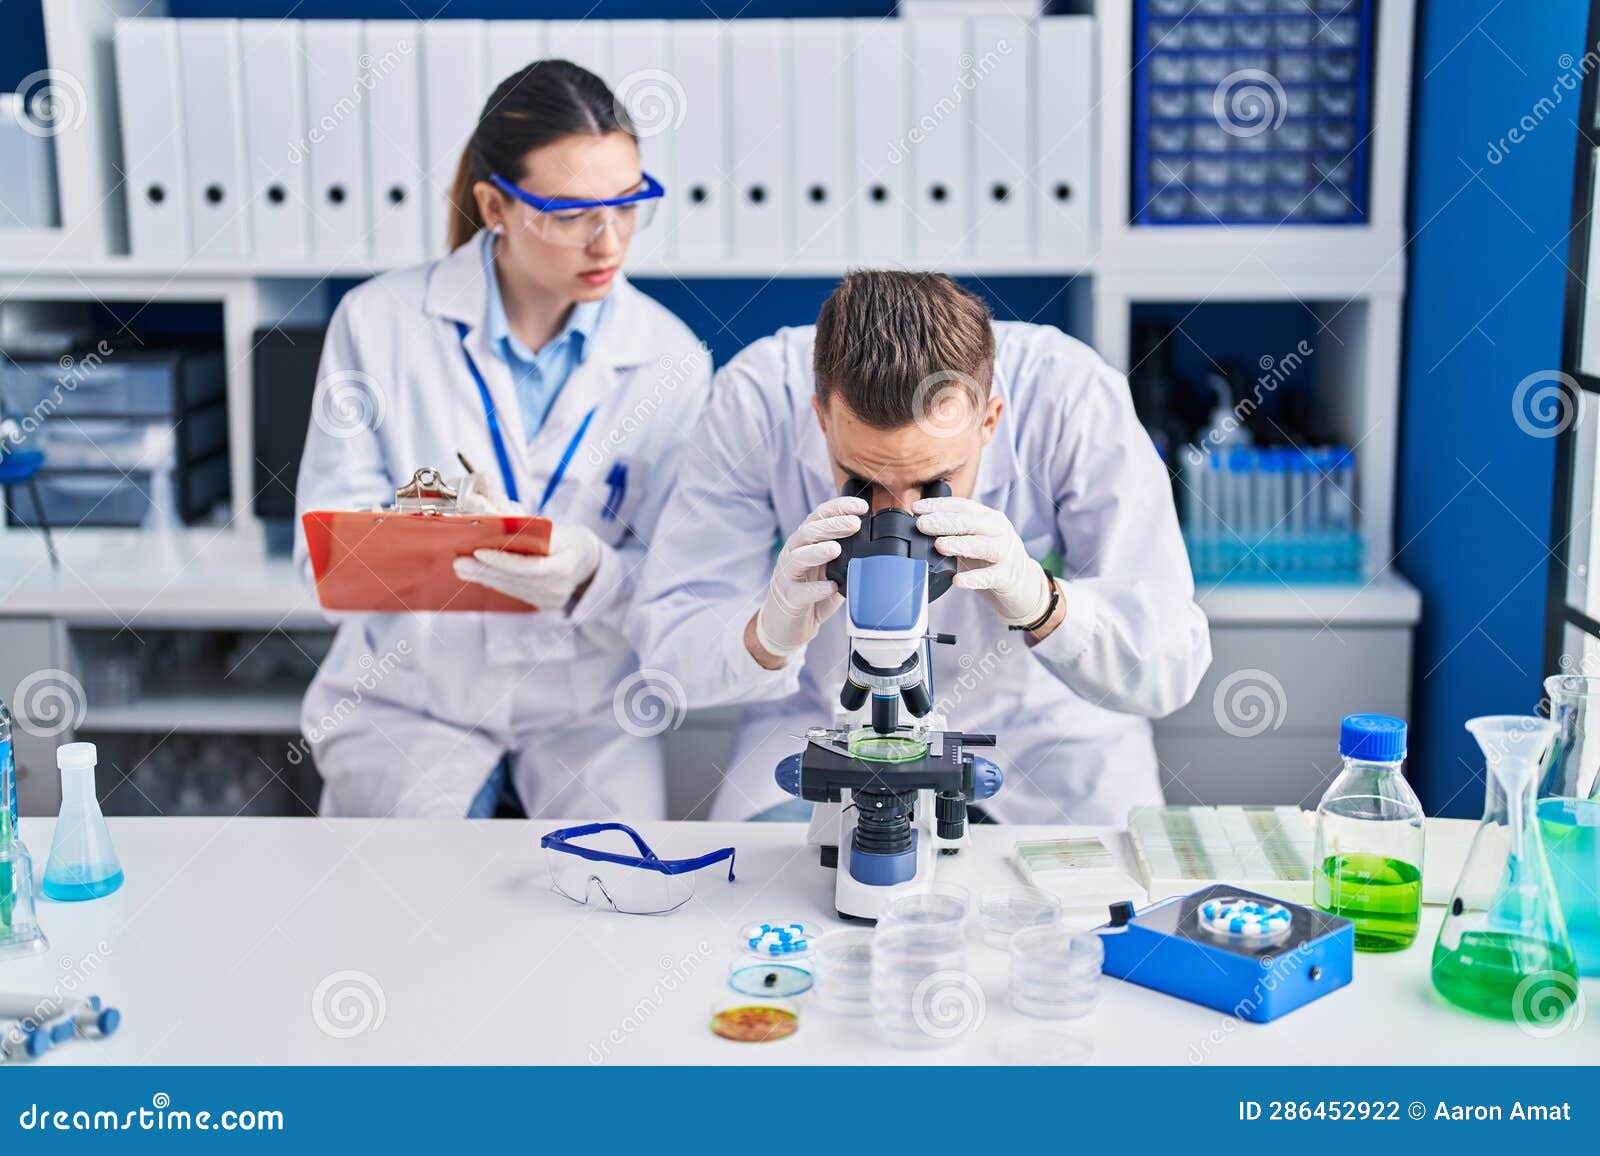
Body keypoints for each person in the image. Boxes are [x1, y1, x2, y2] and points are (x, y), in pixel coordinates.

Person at [631, 271, 1211, 825]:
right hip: (826, 718)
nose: (900, 518)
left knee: (1090, 909)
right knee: (766, 899)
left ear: (990, 420)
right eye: (862, 479)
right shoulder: (759, 397)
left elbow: (1169, 665)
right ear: (820, 418)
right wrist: (767, 635)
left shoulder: (1070, 395)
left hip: (1045, 732)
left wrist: (1044, 605)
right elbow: (670, 645)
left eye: (936, 482)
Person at [295, 60, 709, 819]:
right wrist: (424, 529)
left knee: (613, 902)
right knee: (400, 911)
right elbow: (321, 556)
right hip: (414, 697)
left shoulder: (671, 356)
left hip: (589, 710)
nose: (607, 239)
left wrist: (589, 573)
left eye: (628, 203)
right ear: (494, 205)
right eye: (571, 212)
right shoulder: (379, 322)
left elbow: (678, 579)